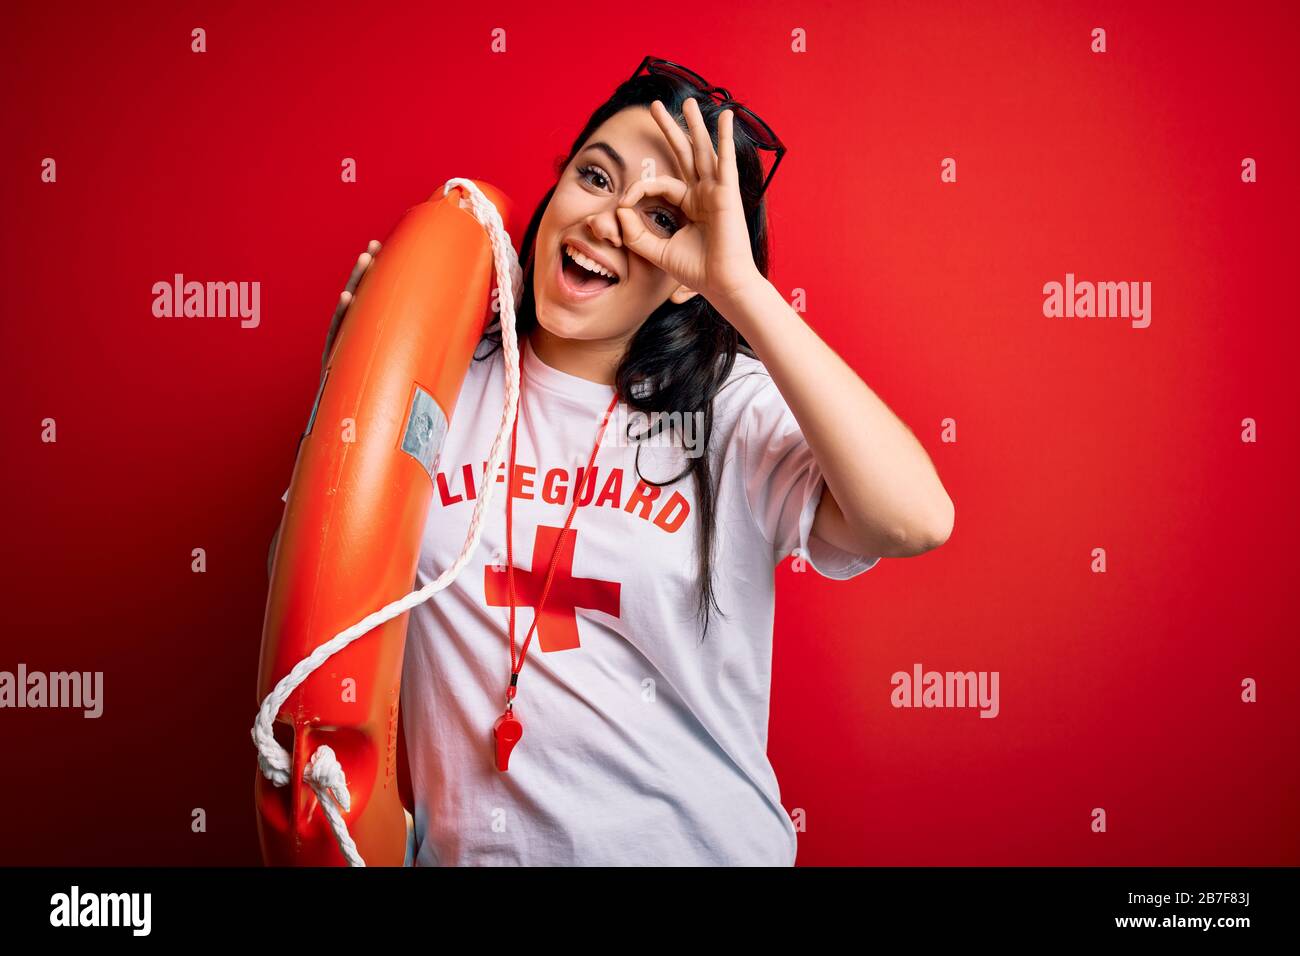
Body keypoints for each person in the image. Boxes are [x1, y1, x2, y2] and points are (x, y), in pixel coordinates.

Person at [275, 58, 954, 865]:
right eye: (596, 177)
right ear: (557, 186)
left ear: (688, 272)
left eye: (662, 218)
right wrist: (346, 407)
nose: (608, 221)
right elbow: (320, 615)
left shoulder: (729, 407)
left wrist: (740, 291)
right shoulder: (441, 383)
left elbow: (915, 519)